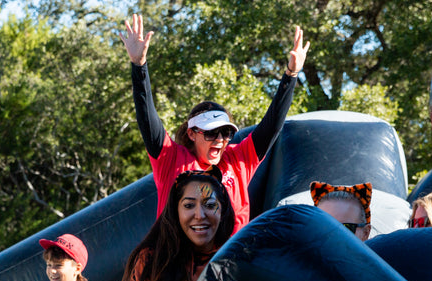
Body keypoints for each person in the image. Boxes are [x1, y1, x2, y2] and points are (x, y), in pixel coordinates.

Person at [120, 13, 309, 234]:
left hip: (227, 263)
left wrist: (291, 74)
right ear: (192, 134)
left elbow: (272, 125)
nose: (220, 139)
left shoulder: (238, 160)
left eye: (226, 133)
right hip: (179, 263)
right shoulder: (171, 159)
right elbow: (146, 116)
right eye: (211, 133)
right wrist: (138, 65)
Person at [109, 167, 234, 281]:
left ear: (222, 210)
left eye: (209, 205)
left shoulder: (237, 261)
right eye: (189, 205)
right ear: (176, 212)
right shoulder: (152, 261)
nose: (199, 215)